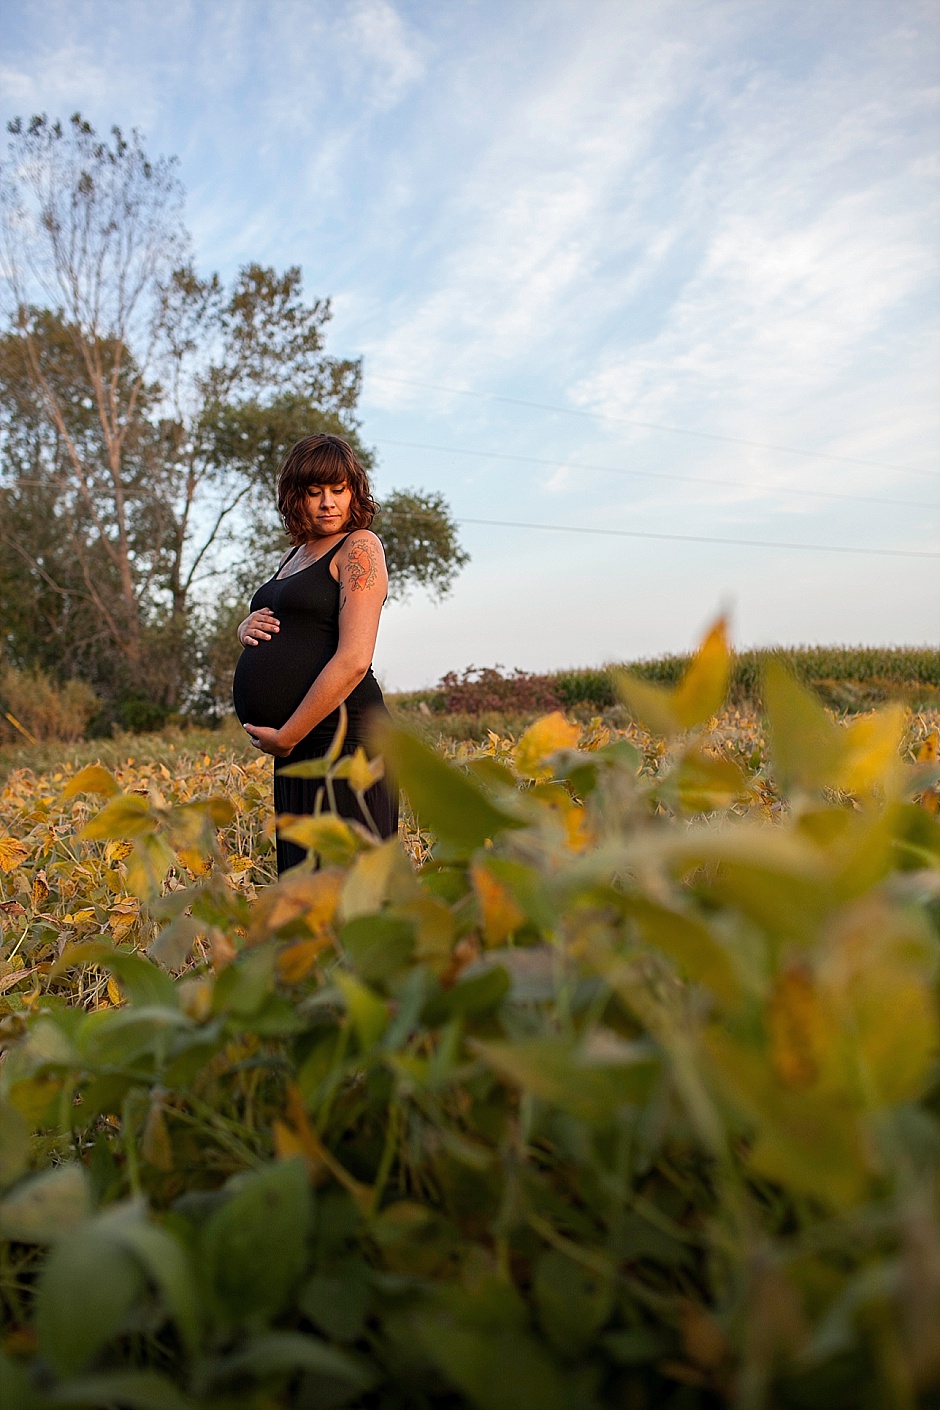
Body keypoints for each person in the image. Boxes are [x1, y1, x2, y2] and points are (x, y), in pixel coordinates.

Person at [232, 433, 398, 874]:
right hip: (298, 749)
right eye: (314, 491)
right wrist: (244, 627)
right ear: (295, 497)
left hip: (344, 744)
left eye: (338, 490)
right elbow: (290, 624)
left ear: (353, 492)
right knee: (303, 896)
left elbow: (354, 659)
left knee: (347, 892)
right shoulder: (295, 556)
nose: (327, 503)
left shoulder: (359, 546)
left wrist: (287, 734)